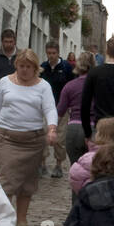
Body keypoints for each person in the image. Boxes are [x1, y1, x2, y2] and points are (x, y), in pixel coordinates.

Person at [0, 50, 58, 226]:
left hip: (32, 141)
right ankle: (3, 221)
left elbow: (49, 109)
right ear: (16, 66)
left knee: (26, 182)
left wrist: (52, 129)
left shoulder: (43, 86)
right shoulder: (5, 82)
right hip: (5, 139)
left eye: (28, 67)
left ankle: (21, 218)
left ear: (35, 68)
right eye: (21, 66)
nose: (24, 70)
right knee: (6, 179)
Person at [40, 43, 74, 177]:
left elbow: (71, 86)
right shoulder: (43, 67)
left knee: (60, 139)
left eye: (53, 53)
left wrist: (70, 105)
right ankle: (42, 164)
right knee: (42, 135)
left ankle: (58, 165)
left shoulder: (66, 67)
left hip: (61, 108)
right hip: (44, 108)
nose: (51, 56)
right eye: (49, 53)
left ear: (58, 53)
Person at [56, 52, 94, 169]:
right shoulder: (98, 85)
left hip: (73, 129)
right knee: (92, 170)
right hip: (93, 129)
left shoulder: (69, 86)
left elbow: (60, 111)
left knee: (76, 169)